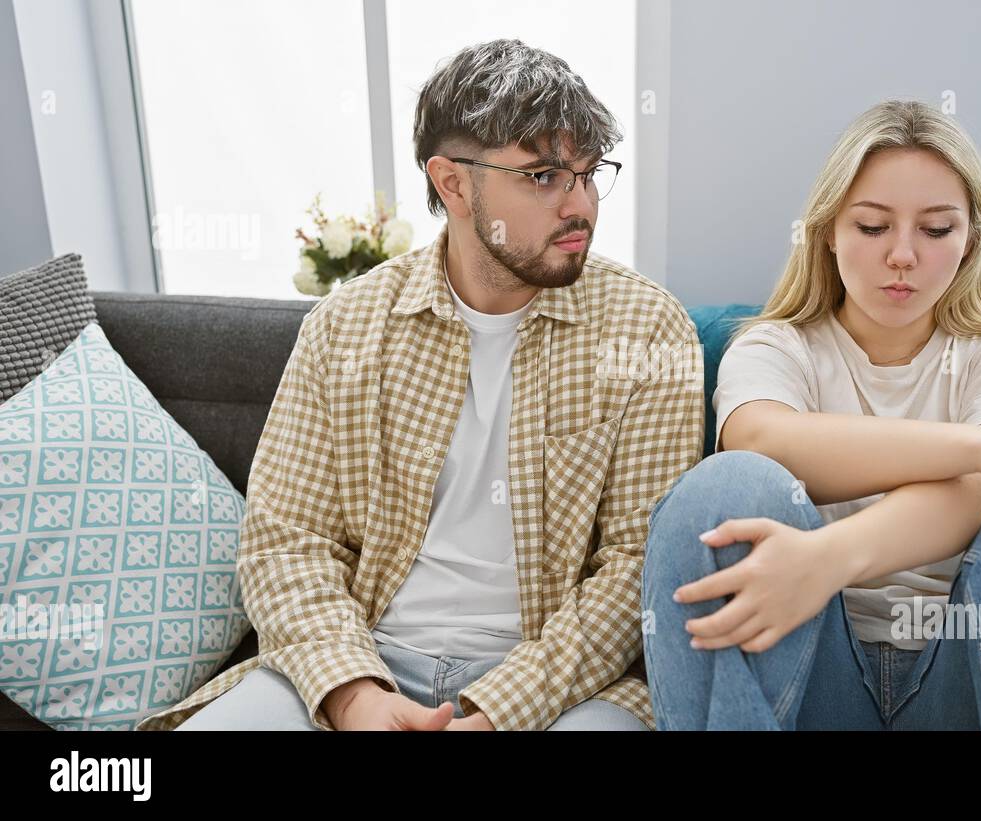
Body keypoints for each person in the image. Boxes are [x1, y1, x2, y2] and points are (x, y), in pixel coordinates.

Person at [136, 39, 703, 731]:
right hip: (365, 655)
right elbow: (286, 541)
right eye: (544, 177)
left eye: (589, 174)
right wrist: (354, 696)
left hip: (566, 687)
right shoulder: (345, 325)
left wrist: (498, 711)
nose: (579, 203)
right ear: (453, 183)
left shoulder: (648, 329)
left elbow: (636, 569)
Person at [641, 99, 981, 730]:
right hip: (815, 664)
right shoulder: (774, 346)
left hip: (962, 666)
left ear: (970, 240)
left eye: (935, 230)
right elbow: (763, 438)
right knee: (726, 488)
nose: (902, 256)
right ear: (828, 231)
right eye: (872, 228)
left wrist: (830, 557)